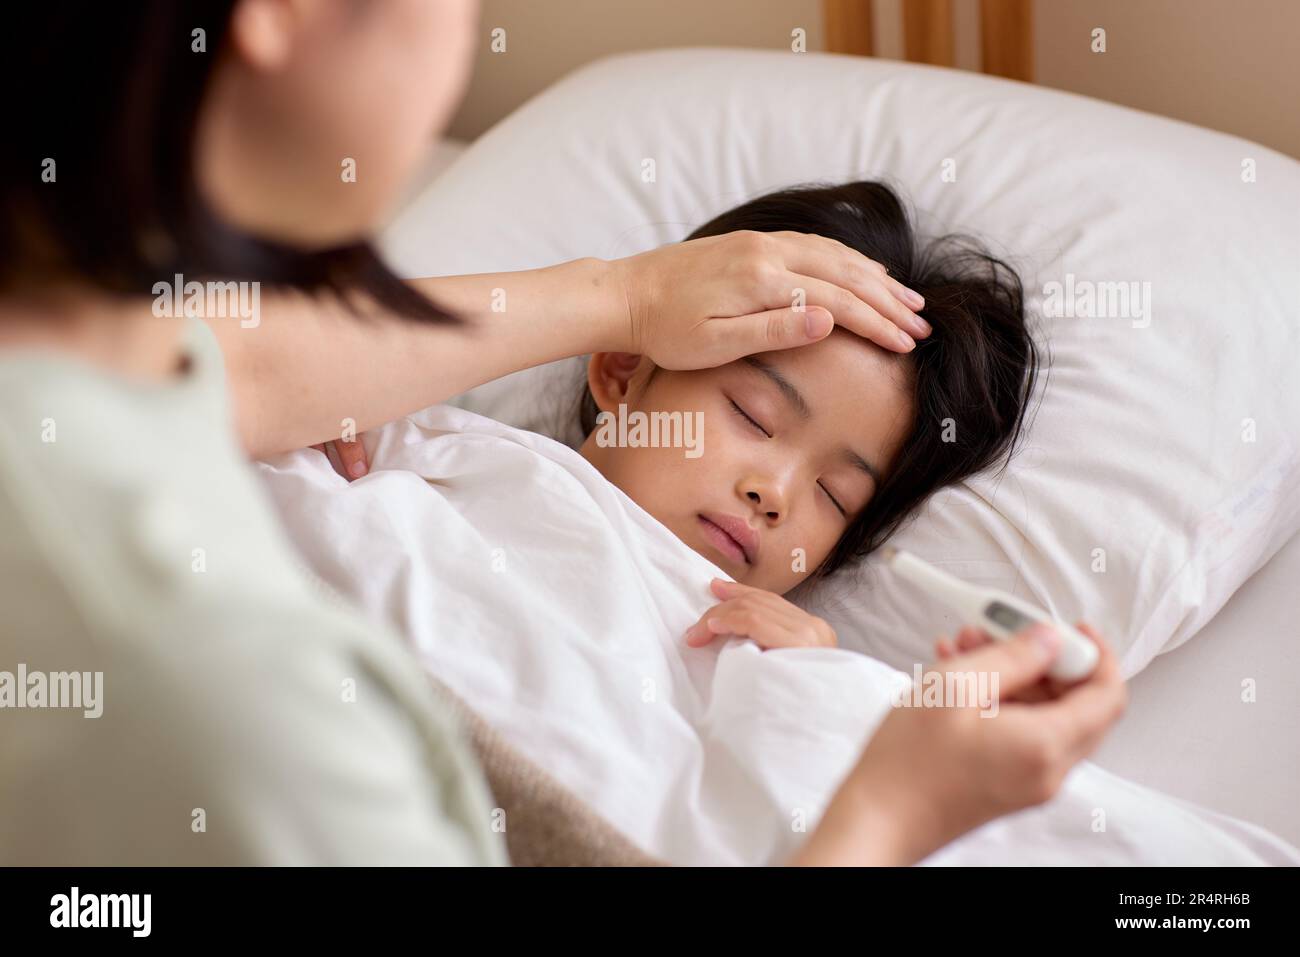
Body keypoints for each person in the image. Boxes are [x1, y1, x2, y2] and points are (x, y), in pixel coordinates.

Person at [0, 0, 1125, 865]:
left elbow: (229, 365)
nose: (781, 493)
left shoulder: (741, 636)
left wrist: (823, 680)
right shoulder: (248, 664)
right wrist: (891, 810)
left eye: (839, 496)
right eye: (747, 412)